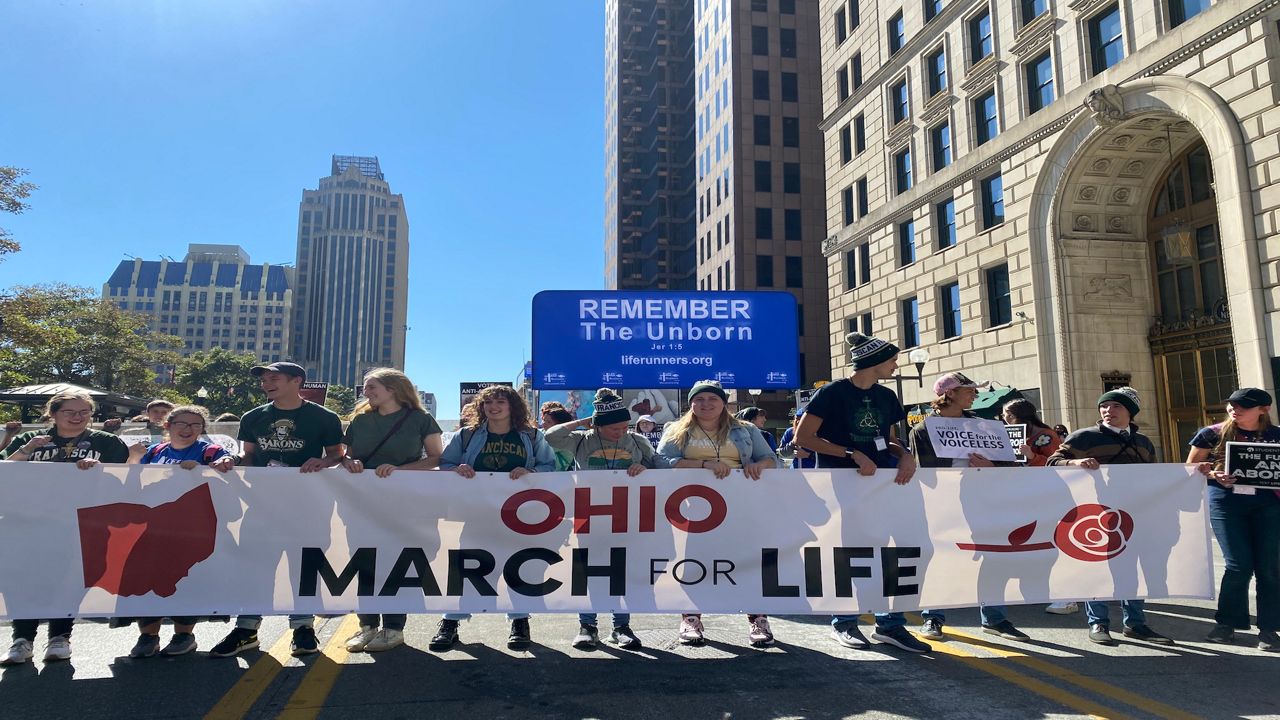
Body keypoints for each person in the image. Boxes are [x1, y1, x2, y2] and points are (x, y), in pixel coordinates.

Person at [794, 332, 929, 653]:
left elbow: (889, 440)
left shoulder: (886, 397)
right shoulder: (832, 393)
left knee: (891, 553)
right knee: (851, 555)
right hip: (843, 486)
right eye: (893, 360)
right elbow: (804, 437)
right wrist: (850, 453)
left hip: (884, 485)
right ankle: (845, 622)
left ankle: (890, 625)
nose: (897, 365)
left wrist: (905, 454)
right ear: (874, 362)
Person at [209, 361, 345, 659]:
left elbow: (337, 454)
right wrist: (231, 460)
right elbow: (249, 454)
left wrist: (322, 462)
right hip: (261, 504)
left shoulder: (324, 417)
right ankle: (246, 628)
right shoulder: (253, 416)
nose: (266, 384)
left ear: (297, 381)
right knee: (258, 566)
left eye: (274, 378)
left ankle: (303, 627)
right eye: (264, 380)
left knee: (304, 566)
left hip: (308, 505)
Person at [0, 390, 130, 665]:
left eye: (84, 412)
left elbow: (123, 480)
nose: (78, 417)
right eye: (69, 412)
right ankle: (22, 639)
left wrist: (100, 468)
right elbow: (6, 473)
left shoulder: (107, 442)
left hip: (80, 524)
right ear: (53, 414)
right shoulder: (29, 440)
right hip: (29, 522)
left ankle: (60, 636)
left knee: (67, 580)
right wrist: (27, 450)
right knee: (25, 580)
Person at [430, 385, 556, 652]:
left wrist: (530, 470)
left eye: (500, 402)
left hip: (519, 515)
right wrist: (458, 468)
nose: (493, 407)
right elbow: (446, 463)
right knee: (467, 568)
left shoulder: (532, 436)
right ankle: (450, 624)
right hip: (477, 513)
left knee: (517, 568)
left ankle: (520, 622)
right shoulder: (467, 435)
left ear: (513, 406)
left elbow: (549, 466)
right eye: (488, 402)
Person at [1046, 387, 1173, 646]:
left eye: (1116, 406)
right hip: (1096, 515)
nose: (1108, 411)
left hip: (1135, 515)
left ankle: (1135, 624)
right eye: (1104, 406)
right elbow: (1051, 463)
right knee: (1099, 568)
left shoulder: (1143, 443)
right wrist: (1074, 463)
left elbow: (1153, 478)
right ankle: (1098, 622)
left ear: (1130, 412)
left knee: (1134, 569)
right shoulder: (1083, 437)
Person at [657, 380, 777, 647]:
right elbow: (661, 461)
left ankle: (758, 618)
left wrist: (760, 466)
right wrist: (704, 464)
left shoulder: (745, 430)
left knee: (747, 560)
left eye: (712, 399)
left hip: (742, 505)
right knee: (694, 563)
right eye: (699, 400)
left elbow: (772, 459)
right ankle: (691, 618)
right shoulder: (677, 430)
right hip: (693, 508)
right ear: (691, 404)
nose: (706, 404)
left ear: (724, 402)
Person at [910, 373, 1029, 642]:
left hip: (984, 501)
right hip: (945, 505)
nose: (974, 394)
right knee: (942, 559)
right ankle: (932, 617)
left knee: (991, 557)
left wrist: (990, 466)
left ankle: (995, 618)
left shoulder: (985, 425)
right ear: (950, 394)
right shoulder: (923, 430)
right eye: (969, 390)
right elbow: (924, 474)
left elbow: (1008, 464)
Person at [545, 388, 667, 650]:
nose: (621, 432)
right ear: (598, 426)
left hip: (627, 516)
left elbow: (662, 469)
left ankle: (621, 626)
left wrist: (645, 468)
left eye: (625, 426)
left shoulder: (636, 441)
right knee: (588, 573)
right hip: (588, 516)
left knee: (621, 572)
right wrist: (583, 421)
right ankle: (587, 625)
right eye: (614, 428)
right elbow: (550, 436)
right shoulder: (580, 439)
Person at [340, 368, 444, 653]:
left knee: (398, 562)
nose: (366, 392)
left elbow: (437, 458)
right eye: (365, 387)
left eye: (372, 387)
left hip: (404, 503)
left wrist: (401, 470)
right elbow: (345, 454)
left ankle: (394, 627)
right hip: (361, 503)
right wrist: (349, 462)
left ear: (393, 389)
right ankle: (367, 626)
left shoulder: (420, 419)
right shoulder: (359, 421)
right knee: (363, 562)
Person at [125, 405, 235, 658]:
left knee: (185, 580)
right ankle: (148, 636)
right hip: (151, 527)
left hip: (190, 528)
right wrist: (132, 457)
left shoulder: (208, 450)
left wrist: (207, 468)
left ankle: (184, 634)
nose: (188, 430)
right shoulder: (154, 451)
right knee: (146, 578)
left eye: (196, 425)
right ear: (168, 426)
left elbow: (227, 463)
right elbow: (130, 478)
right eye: (182, 424)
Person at [1187, 387, 1279, 651]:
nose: (1234, 410)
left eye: (1243, 406)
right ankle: (1226, 624)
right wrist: (1215, 474)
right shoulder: (1211, 434)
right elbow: (1192, 468)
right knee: (1238, 564)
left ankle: (1269, 629)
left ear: (1264, 409)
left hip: (1269, 505)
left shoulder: (1277, 436)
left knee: (1269, 567)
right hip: (1227, 504)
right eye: (1231, 405)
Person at [1000, 400, 1075, 615]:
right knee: (1028, 544)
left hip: (1047, 497)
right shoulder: (1013, 434)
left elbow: (1055, 465)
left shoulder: (1046, 436)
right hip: (1022, 498)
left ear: (1020, 415)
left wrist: (1032, 457)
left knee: (1050, 544)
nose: (1004, 418)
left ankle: (1066, 595)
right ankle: (1035, 589)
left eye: (1008, 414)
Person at [540, 402, 578, 470]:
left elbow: (542, 451)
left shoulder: (567, 439)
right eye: (543, 420)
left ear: (560, 425)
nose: (543, 425)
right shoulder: (541, 433)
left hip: (558, 477)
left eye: (549, 422)